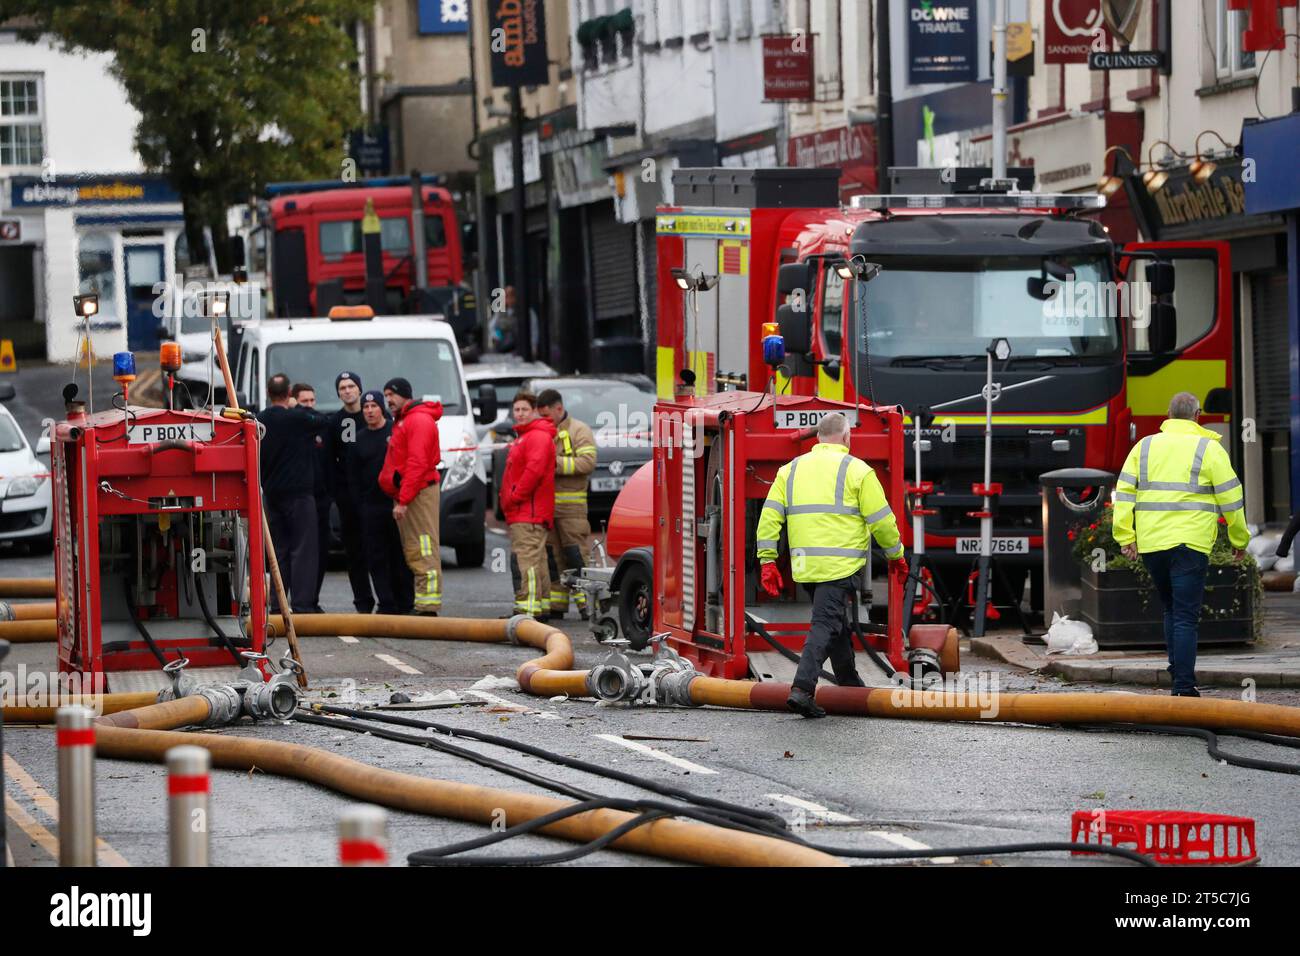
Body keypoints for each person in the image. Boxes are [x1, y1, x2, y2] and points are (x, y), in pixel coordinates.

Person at [756, 412, 907, 718]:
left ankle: (850, 686)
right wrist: (897, 555)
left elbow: (769, 517)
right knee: (825, 624)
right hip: (840, 565)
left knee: (836, 625)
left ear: (818, 438)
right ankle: (802, 689)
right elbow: (882, 522)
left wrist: (768, 560)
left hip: (806, 567)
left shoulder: (790, 470)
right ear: (846, 437)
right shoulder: (859, 471)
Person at [1113, 391, 1250, 697]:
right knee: (1186, 615)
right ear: (1197, 415)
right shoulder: (1209, 449)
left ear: (1168, 413)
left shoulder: (1143, 447)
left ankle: (1177, 672)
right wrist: (1238, 539)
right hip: (1190, 544)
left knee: (1171, 608)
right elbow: (1231, 498)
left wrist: (1126, 537)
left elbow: (1124, 494)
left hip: (1153, 545)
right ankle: (1184, 686)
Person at [257, 373, 330, 613]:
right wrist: (298, 407)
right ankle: (302, 604)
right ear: (289, 394)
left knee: (279, 551)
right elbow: (323, 421)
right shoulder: (297, 418)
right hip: (299, 494)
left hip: (272, 494)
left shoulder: (259, 420)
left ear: (268, 394)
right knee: (303, 548)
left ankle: (278, 605)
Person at [378, 376, 443, 615]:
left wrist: (404, 500)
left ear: (404, 394)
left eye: (391, 395)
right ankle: (424, 603)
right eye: (386, 396)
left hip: (417, 494)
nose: (388, 400)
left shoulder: (417, 421)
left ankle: (428, 606)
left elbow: (417, 463)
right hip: (412, 492)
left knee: (424, 546)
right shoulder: (405, 420)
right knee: (417, 546)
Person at [350, 390, 414, 614]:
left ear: (381, 409)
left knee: (401, 555)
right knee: (377, 558)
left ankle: (406, 602)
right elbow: (353, 477)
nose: (369, 411)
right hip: (371, 508)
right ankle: (386, 603)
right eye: (366, 408)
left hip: (395, 504)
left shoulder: (395, 432)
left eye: (374, 406)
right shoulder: (359, 439)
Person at [537, 388, 598, 618]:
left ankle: (588, 607)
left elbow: (588, 462)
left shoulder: (579, 430)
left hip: (572, 509)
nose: (544, 420)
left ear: (559, 409)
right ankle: (557, 605)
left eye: (547, 415)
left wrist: (555, 463)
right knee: (554, 558)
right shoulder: (543, 431)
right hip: (548, 507)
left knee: (576, 556)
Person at [500, 391, 556, 617]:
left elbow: (533, 471)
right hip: (528, 511)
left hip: (527, 512)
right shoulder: (528, 436)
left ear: (534, 411)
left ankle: (527, 610)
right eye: (516, 410)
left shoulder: (536, 436)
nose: (520, 414)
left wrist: (514, 497)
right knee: (537, 561)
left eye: (524, 409)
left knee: (527, 562)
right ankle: (539, 607)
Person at [330, 371, 376, 613]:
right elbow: (330, 459)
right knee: (354, 553)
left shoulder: (372, 413)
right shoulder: (335, 421)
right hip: (348, 498)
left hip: (373, 496)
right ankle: (363, 602)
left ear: (359, 388)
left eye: (351, 386)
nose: (347, 391)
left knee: (378, 550)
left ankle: (389, 601)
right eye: (342, 387)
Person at [291, 382, 329, 614]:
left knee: (321, 552)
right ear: (295, 402)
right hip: (300, 497)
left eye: (312, 401)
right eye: (304, 402)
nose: (309, 406)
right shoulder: (293, 425)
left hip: (321, 497)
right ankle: (298, 601)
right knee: (300, 552)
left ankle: (312, 600)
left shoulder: (321, 426)